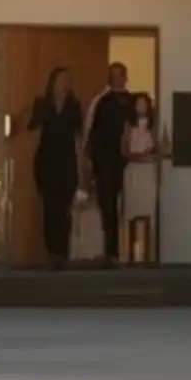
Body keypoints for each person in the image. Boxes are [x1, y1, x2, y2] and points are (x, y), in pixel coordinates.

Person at [26, 67, 83, 269]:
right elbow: (33, 129)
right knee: (50, 208)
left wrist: (81, 166)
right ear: (53, 82)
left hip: (67, 162)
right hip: (47, 161)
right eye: (60, 79)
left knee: (64, 209)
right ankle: (53, 252)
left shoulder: (74, 105)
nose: (64, 83)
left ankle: (63, 251)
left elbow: (78, 137)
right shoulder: (42, 103)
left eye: (67, 79)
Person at [84, 63, 133, 267]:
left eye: (120, 75)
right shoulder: (101, 102)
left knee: (131, 207)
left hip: (130, 162)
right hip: (105, 162)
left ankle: (133, 252)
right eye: (113, 75)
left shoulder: (134, 101)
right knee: (107, 206)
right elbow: (92, 133)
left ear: (126, 77)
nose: (117, 79)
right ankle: (110, 251)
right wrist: (92, 164)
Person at [122, 94, 159, 263]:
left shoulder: (153, 127)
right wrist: (138, 156)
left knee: (148, 212)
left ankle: (149, 256)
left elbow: (157, 149)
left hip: (148, 172)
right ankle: (130, 253)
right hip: (133, 171)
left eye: (144, 103)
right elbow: (124, 151)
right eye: (138, 103)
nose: (141, 106)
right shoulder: (129, 126)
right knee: (132, 212)